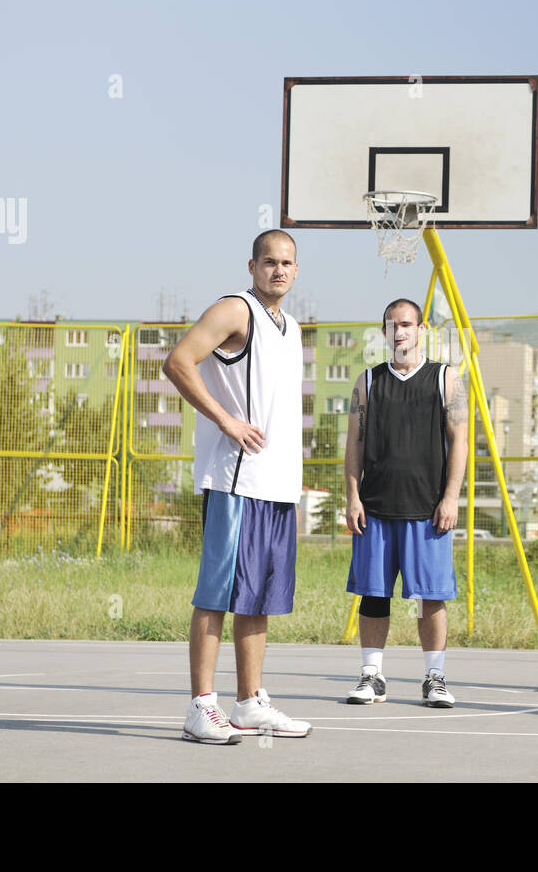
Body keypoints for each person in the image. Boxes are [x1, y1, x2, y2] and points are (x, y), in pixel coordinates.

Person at [163, 229, 311, 744]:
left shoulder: (290, 327)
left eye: (287, 263)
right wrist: (226, 420)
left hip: (276, 484)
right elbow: (178, 361)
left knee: (260, 597)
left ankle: (249, 702)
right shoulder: (235, 310)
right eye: (269, 261)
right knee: (218, 594)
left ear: (296, 270)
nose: (278, 270)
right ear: (251, 266)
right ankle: (201, 706)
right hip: (236, 479)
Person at [342, 298, 469, 708]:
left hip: (428, 510)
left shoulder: (447, 379)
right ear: (383, 332)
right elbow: (354, 443)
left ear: (422, 330)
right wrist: (352, 495)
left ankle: (435, 677)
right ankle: (372, 675)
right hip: (376, 506)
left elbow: (461, 441)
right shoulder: (368, 381)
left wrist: (451, 497)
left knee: (430, 597)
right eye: (392, 325)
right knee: (374, 595)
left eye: (407, 325)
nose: (400, 332)